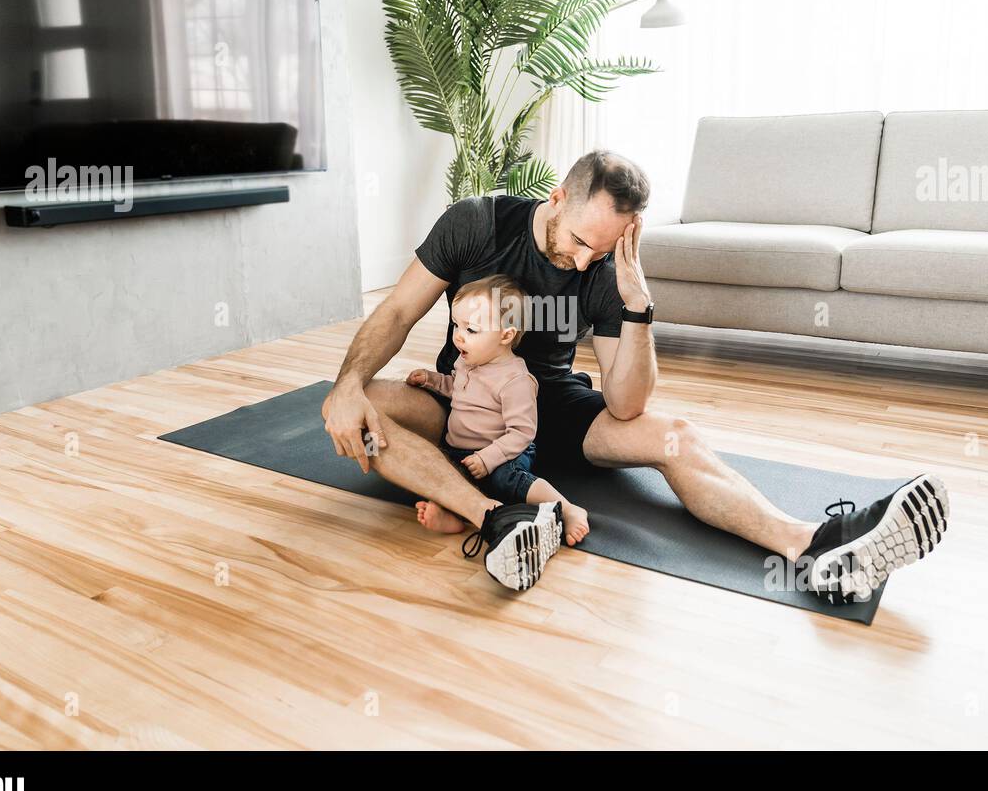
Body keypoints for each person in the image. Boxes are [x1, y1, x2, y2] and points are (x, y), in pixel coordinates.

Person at [322, 150, 951, 596]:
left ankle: (809, 545)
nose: (584, 258)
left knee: (671, 432)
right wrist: (348, 385)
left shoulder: (606, 273)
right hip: (465, 403)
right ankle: (495, 517)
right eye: (578, 239)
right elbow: (400, 308)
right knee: (359, 408)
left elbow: (626, 405)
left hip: (554, 409)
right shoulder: (479, 224)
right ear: (557, 196)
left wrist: (637, 300)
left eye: (604, 248)